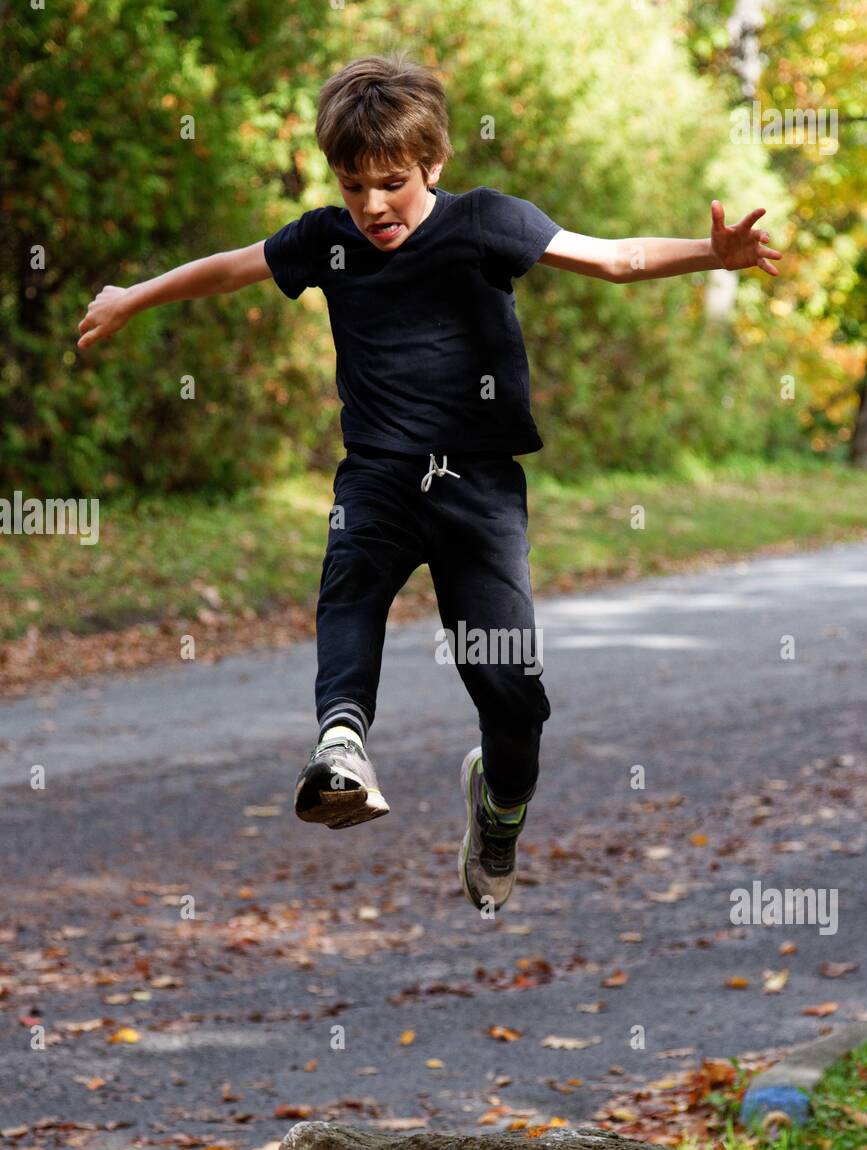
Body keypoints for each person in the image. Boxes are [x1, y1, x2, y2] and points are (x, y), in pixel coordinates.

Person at [76, 51, 781, 914]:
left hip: (478, 492)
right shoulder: (325, 241)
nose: (372, 206)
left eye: (393, 183)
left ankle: (498, 812)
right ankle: (340, 743)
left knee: (513, 696)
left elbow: (615, 260)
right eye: (353, 184)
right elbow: (231, 266)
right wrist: (130, 297)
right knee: (352, 584)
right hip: (376, 473)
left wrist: (713, 256)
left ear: (433, 164)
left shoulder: (487, 223)